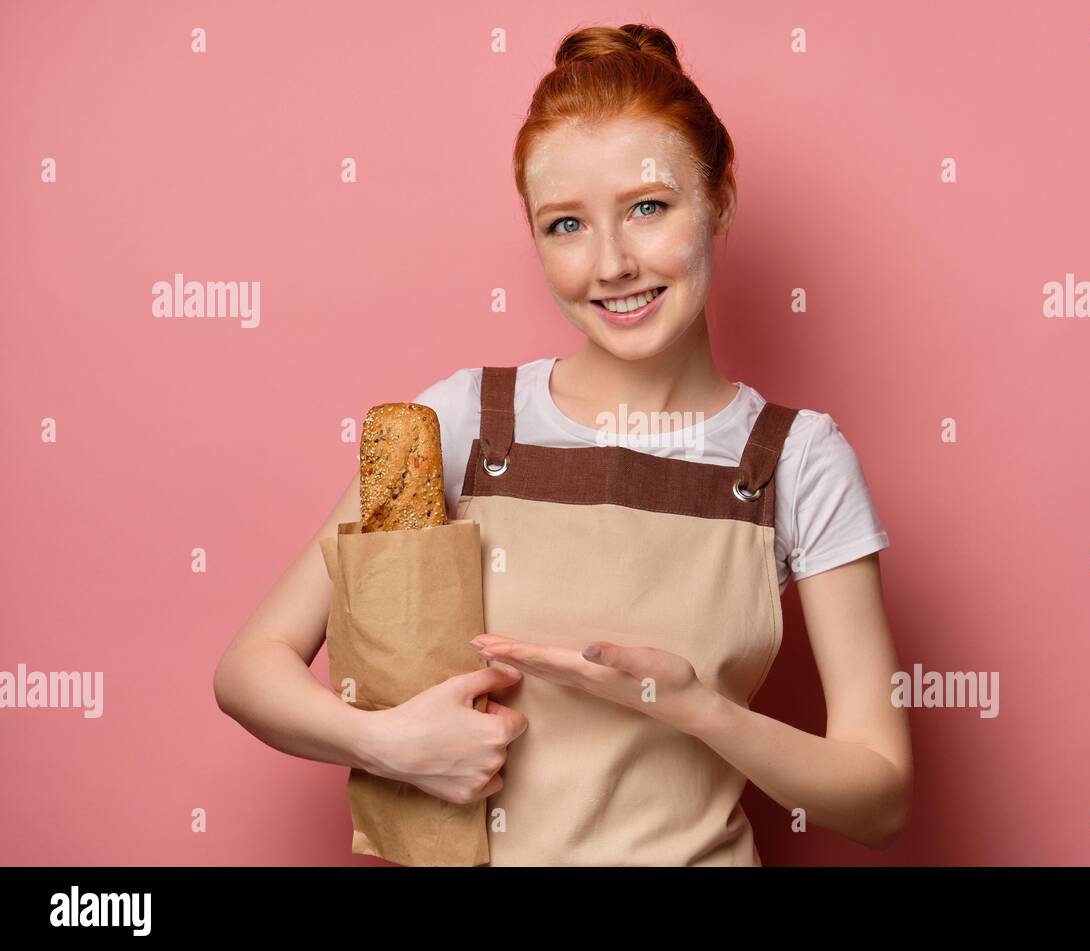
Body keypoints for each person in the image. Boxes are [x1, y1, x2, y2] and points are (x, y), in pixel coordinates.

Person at [214, 22, 912, 866]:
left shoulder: (797, 459)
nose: (611, 263)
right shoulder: (466, 422)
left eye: (648, 208)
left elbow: (879, 798)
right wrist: (390, 745)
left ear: (720, 197)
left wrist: (695, 705)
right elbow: (250, 668)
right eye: (566, 225)